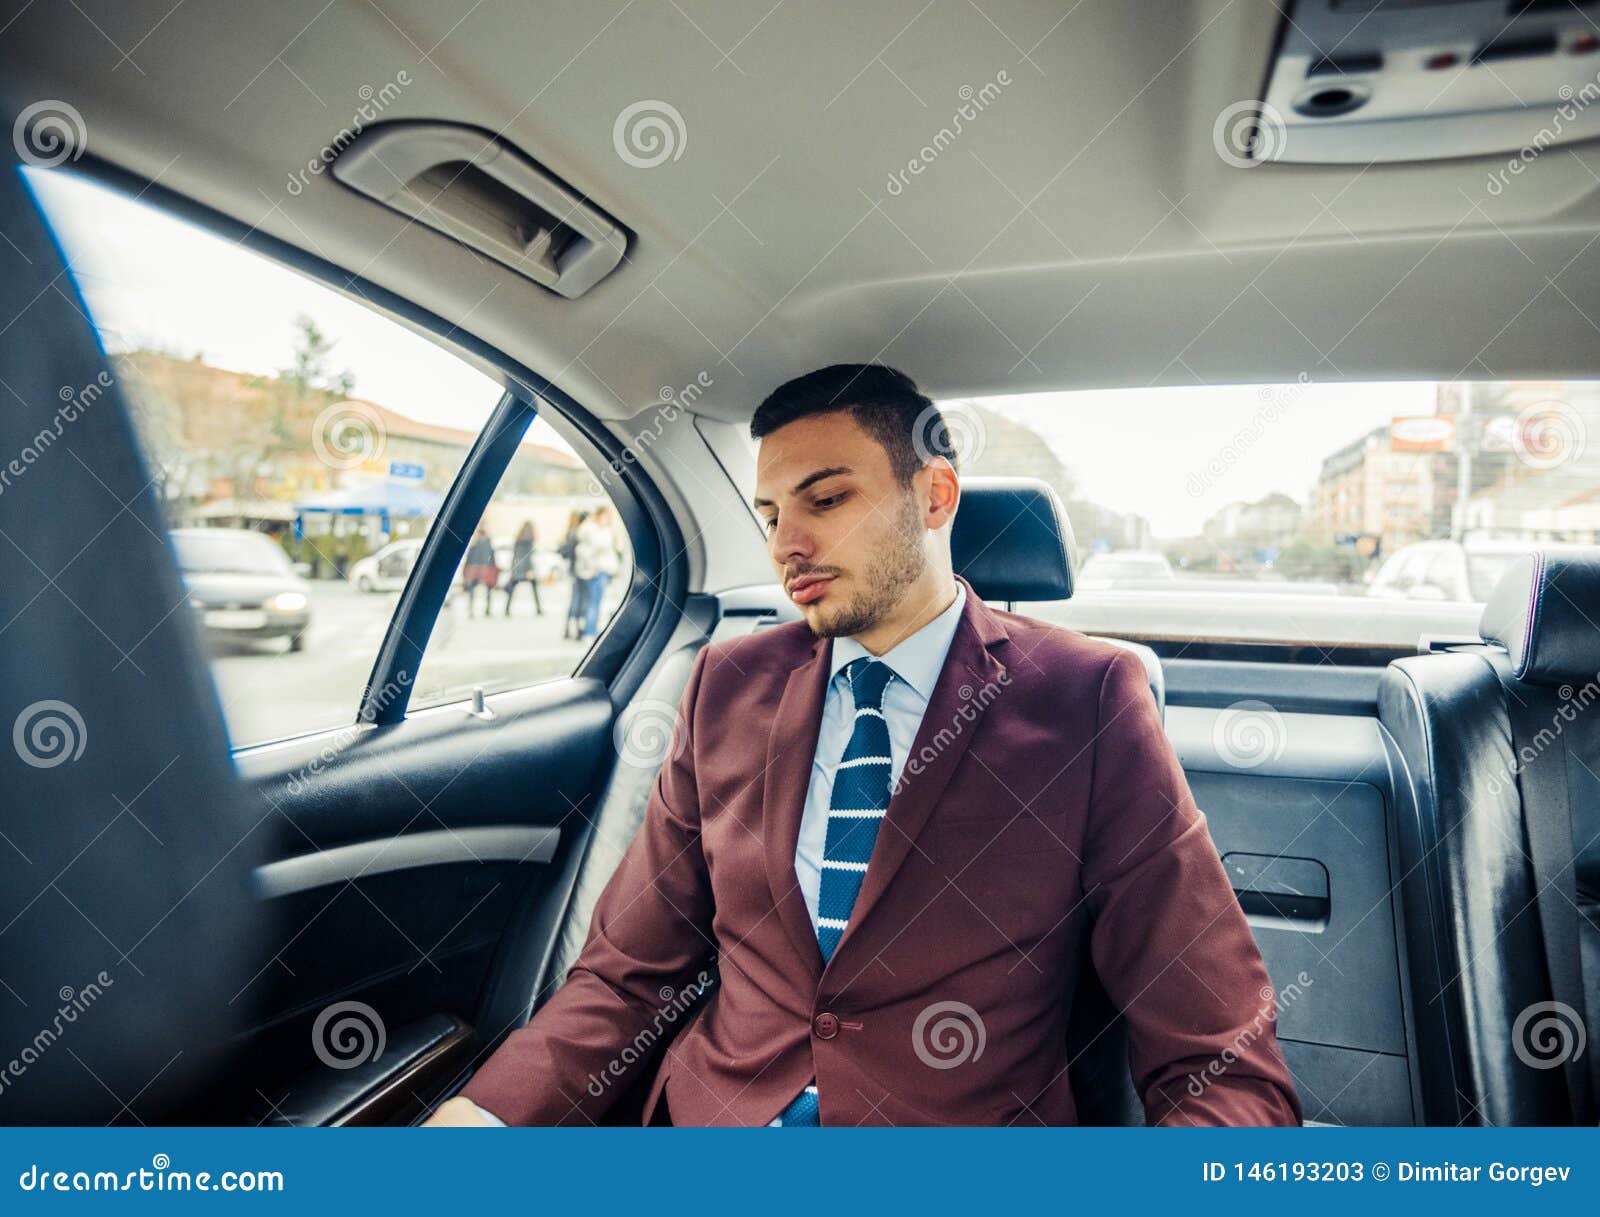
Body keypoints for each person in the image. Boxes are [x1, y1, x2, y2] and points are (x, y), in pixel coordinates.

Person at [425, 364, 1300, 1127]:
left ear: (936, 496)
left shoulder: (1086, 698)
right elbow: (626, 977)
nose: (786, 544)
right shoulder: (726, 686)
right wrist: (485, 1114)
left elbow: (1219, 1054)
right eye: (771, 513)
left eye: (827, 499)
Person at [574, 505, 620, 640]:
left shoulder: (590, 531)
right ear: (600, 515)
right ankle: (590, 631)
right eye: (606, 516)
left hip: (596, 570)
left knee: (595, 601)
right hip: (598, 570)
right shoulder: (596, 531)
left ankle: (590, 629)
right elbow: (602, 546)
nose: (609, 519)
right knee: (595, 602)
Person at [502, 520, 544, 617]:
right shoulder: (529, 543)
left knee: (512, 590)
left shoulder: (517, 541)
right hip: (526, 569)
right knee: (534, 588)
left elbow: (515, 556)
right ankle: (538, 609)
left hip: (518, 570)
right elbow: (528, 558)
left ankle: (506, 610)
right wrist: (530, 570)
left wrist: (513, 569)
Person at [558, 509, 587, 641]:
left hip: (574, 570)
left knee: (576, 599)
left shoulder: (572, 532)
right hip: (578, 571)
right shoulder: (578, 534)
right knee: (578, 599)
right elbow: (570, 552)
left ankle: (570, 629)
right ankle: (575, 629)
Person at [462, 524, 497, 619]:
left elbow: (469, 559)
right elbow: (492, 558)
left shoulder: (475, 544)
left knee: (473, 591)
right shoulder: (488, 544)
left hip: (475, 570)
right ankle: (486, 610)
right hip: (484, 570)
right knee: (487, 590)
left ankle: (472, 610)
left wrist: (466, 572)